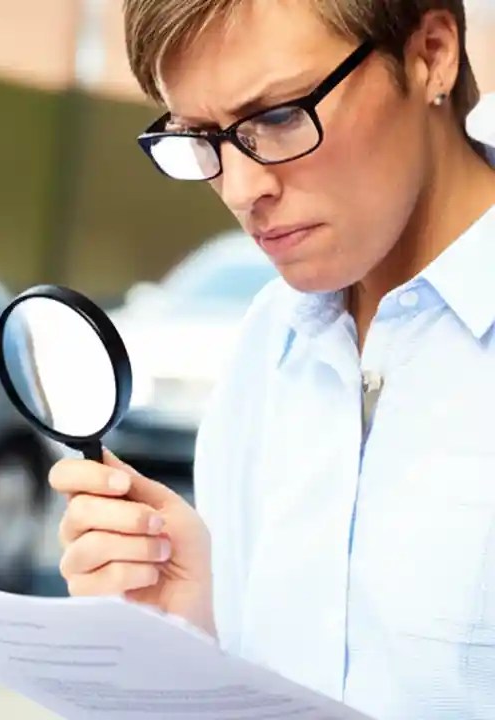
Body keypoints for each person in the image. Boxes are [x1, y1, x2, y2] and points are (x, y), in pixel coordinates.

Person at [51, 1, 495, 718]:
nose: (239, 188)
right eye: (200, 138)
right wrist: (191, 632)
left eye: (282, 115)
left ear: (432, 54)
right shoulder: (267, 346)